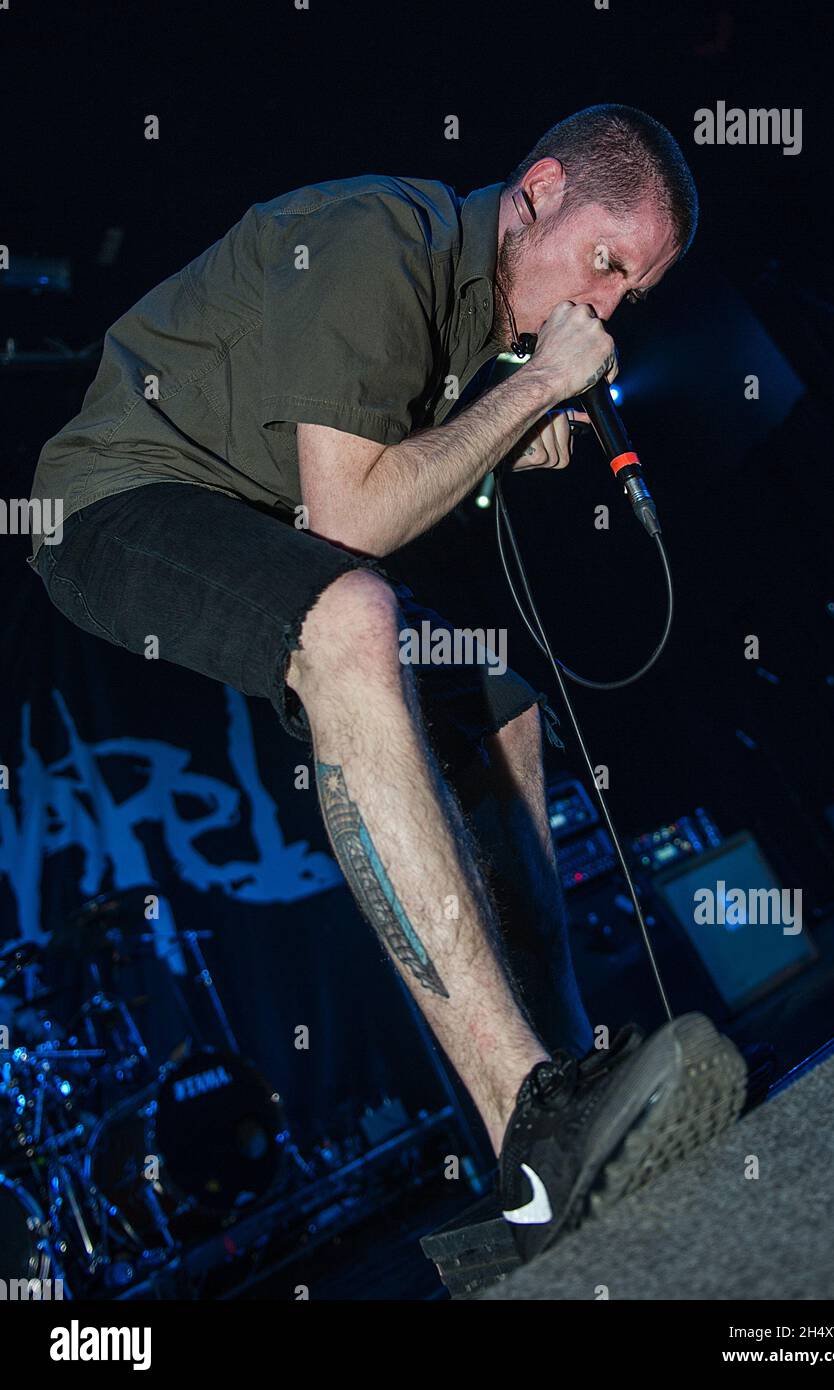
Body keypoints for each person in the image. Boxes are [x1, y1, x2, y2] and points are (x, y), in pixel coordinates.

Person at [27, 105, 745, 1264]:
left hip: (254, 526)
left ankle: (572, 1090)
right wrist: (521, 402)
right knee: (353, 619)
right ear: (541, 190)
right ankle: (532, 1119)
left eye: (629, 294)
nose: (603, 310)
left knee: (495, 703)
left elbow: (387, 492)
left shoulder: (482, 315)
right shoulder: (377, 238)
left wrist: (503, 419)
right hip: (112, 505)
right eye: (605, 261)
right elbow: (352, 516)